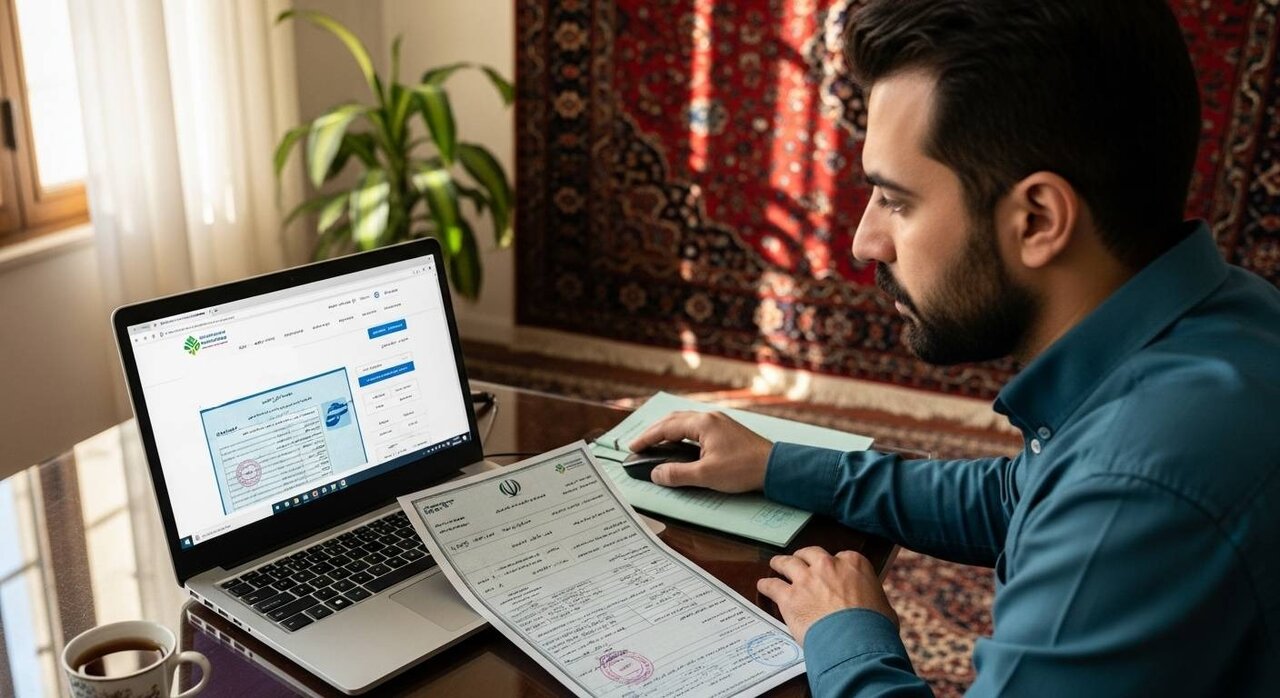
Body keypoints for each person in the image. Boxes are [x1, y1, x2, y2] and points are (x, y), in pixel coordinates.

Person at [630, 0, 1280, 695]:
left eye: (896, 200)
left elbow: (1092, 495)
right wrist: (780, 466)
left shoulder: (1134, 490)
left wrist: (847, 631)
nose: (863, 242)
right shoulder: (1227, 316)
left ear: (1037, 219)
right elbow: (1026, 496)